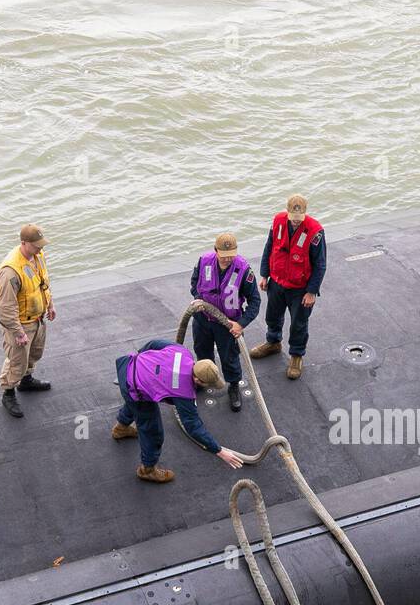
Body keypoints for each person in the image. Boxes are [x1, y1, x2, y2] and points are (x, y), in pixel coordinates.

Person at [112, 340, 244, 482]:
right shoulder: (183, 392)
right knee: (152, 430)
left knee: (137, 401)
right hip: (134, 386)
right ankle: (147, 470)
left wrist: (144, 363)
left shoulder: (182, 352)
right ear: (197, 380)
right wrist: (220, 451)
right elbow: (193, 426)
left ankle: (121, 428)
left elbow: (153, 344)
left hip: (129, 365)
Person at [249, 194, 326, 380]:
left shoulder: (315, 231)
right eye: (293, 219)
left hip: (300, 288)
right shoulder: (278, 222)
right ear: (288, 212)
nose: (295, 223)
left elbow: (320, 264)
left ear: (305, 214)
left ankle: (297, 355)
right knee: (272, 316)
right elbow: (270, 247)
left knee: (299, 323)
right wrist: (264, 274)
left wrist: (311, 291)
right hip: (277, 281)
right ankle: (273, 342)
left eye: (299, 220)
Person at [190, 233, 261, 411]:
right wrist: (198, 298)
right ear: (216, 251)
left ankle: (234, 386)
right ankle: (203, 378)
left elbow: (255, 301)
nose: (228, 258)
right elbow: (194, 283)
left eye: (232, 254)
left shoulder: (243, 270)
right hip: (203, 319)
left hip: (228, 324)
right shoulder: (203, 261)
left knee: (229, 357)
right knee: (202, 351)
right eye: (224, 254)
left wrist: (241, 324)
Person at [0, 223, 56, 418]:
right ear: (23, 243)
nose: (41, 248)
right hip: (21, 324)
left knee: (34, 353)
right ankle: (8, 392)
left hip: (37, 319)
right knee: (16, 360)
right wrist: (18, 332)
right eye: (37, 245)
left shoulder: (37, 256)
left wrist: (50, 305)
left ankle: (26, 380)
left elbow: (42, 283)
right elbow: (5, 308)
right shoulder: (11, 271)